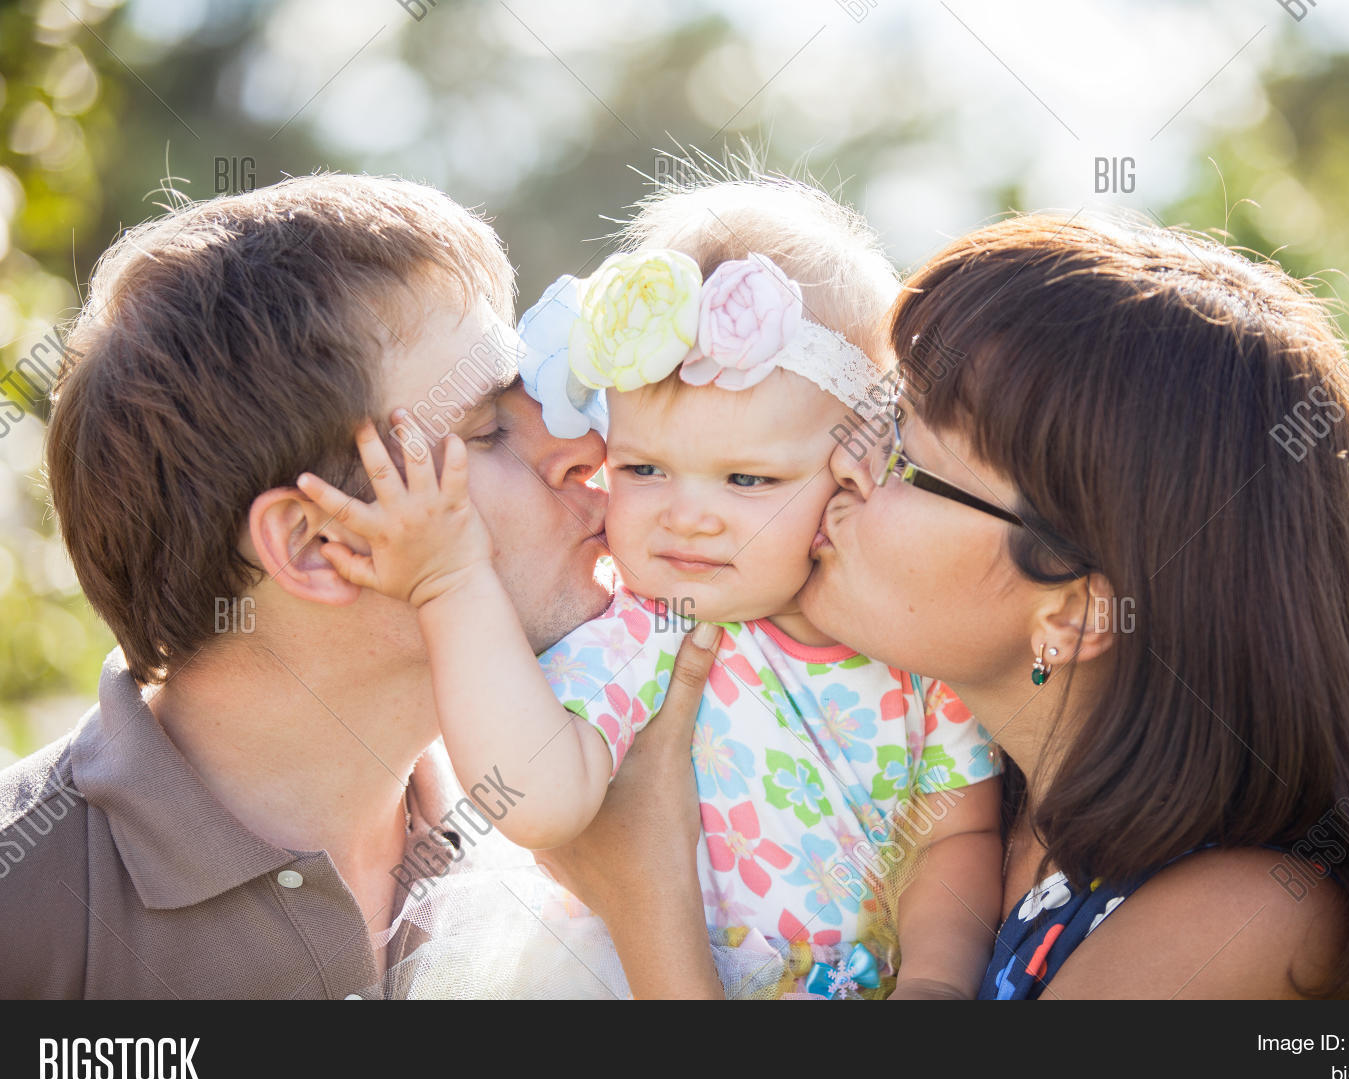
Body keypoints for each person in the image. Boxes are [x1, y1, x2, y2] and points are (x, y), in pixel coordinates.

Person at [547, 211, 1349, 999]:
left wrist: (648, 903)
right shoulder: (945, 782)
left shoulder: (1246, 923)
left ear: (1075, 614)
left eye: (904, 456)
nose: (842, 465)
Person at [0, 172, 717, 998]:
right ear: (315, 544)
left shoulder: (612, 807)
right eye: (487, 429)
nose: (589, 451)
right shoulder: (28, 918)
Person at [298, 177, 1006, 998]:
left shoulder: (908, 641)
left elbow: (955, 834)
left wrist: (936, 982)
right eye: (642, 469)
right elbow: (537, 802)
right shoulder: (644, 632)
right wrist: (450, 582)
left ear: (855, 469)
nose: (687, 517)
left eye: (747, 479)